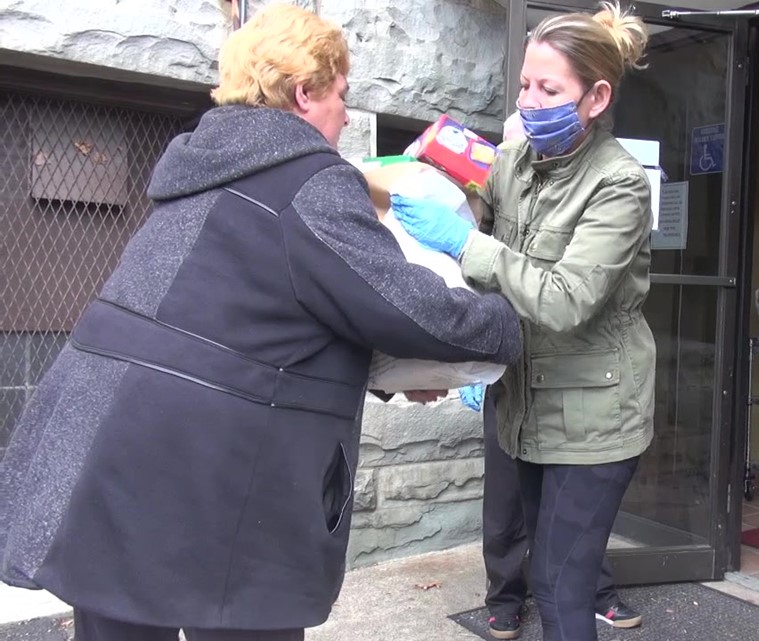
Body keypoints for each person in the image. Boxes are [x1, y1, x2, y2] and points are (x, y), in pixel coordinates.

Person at [0, 5, 521, 640]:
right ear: (304, 94)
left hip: (102, 451)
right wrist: (511, 319)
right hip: (203, 469)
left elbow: (249, 323)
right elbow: (410, 310)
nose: (346, 115)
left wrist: (386, 376)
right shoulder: (308, 179)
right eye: (341, 94)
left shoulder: (204, 169)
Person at [391, 3, 656, 639]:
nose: (529, 102)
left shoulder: (619, 185)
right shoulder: (512, 162)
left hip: (594, 420)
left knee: (563, 587)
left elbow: (565, 299)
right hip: (526, 406)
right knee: (545, 573)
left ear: (596, 97)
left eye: (549, 90)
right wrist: (423, 178)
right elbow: (467, 210)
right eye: (524, 85)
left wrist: (465, 243)